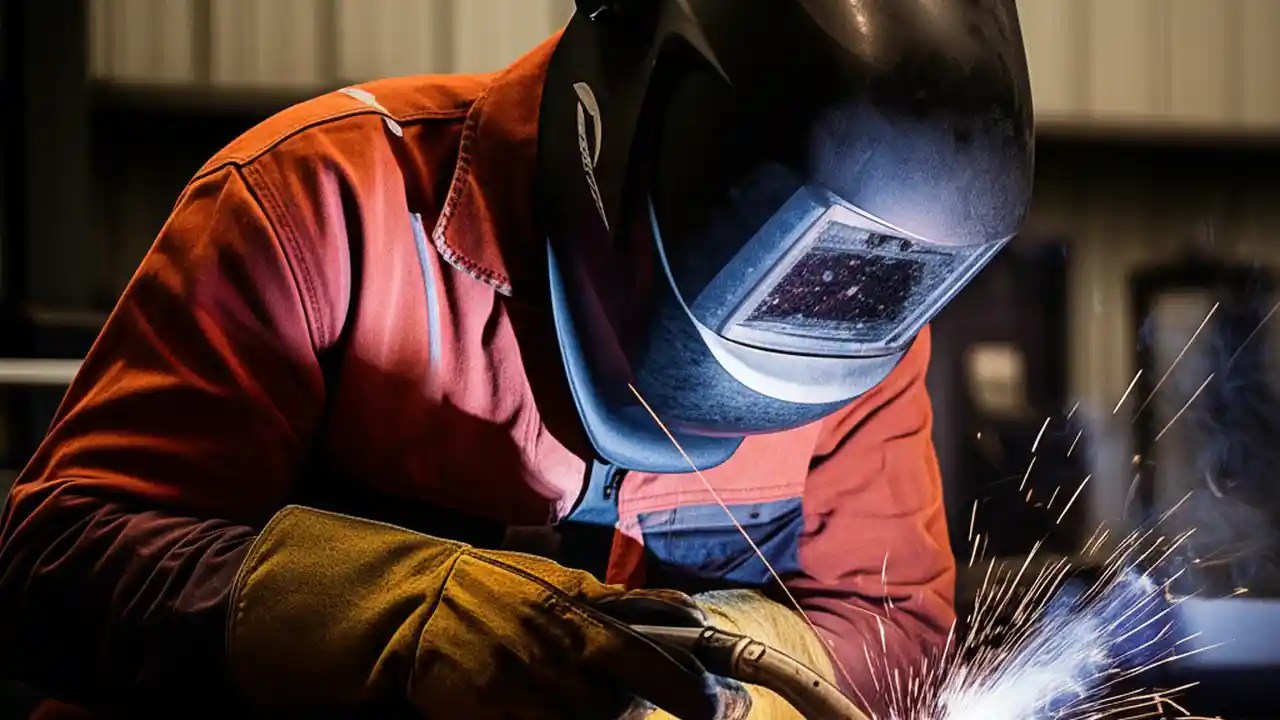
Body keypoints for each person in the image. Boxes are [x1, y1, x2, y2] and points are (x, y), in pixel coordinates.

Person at [0, 0, 1034, 717]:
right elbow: (54, 566)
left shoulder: (859, 305)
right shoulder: (322, 205)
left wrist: (739, 676)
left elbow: (890, 625)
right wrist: (393, 614)